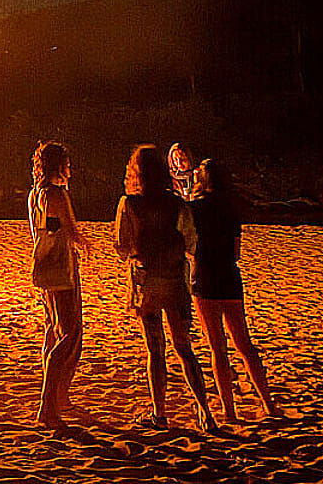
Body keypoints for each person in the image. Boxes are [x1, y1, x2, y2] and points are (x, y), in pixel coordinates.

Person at [114, 145, 216, 432]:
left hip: (146, 282)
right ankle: (205, 412)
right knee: (184, 347)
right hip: (175, 280)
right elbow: (191, 242)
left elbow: (122, 246)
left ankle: (159, 413)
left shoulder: (130, 204)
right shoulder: (176, 204)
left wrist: (137, 250)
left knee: (155, 349)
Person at [189, 159, 281, 421]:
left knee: (217, 347)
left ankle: (229, 410)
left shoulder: (195, 208)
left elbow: (189, 245)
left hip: (204, 277)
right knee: (244, 344)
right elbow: (236, 251)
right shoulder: (230, 208)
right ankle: (268, 403)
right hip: (229, 275)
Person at [26, 141, 90, 427]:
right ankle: (49, 403)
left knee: (52, 330)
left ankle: (57, 398)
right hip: (61, 266)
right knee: (70, 334)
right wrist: (85, 244)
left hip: (42, 264)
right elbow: (71, 230)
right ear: (59, 166)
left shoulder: (34, 194)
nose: (70, 169)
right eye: (67, 164)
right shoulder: (56, 194)